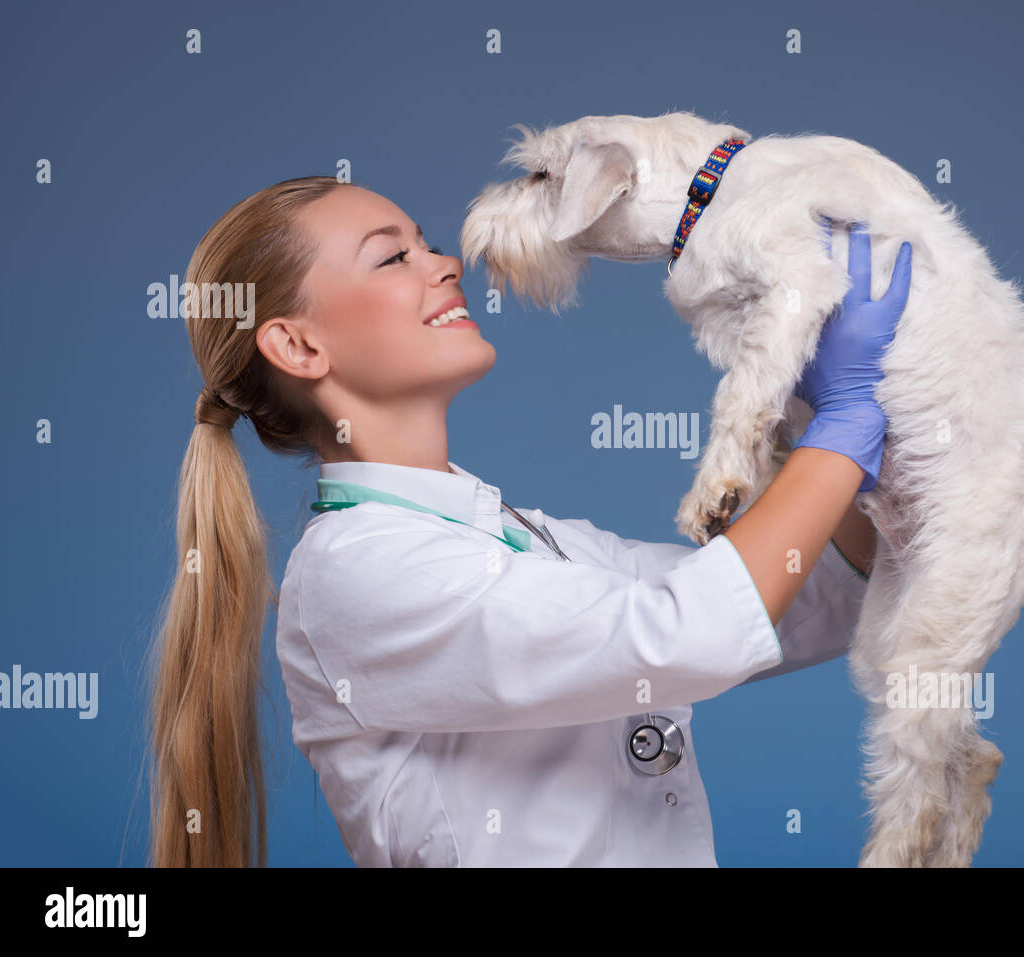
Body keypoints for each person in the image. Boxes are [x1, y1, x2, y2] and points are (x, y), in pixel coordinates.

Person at [147, 175, 913, 867]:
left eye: (428, 244)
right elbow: (688, 633)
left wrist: (846, 403)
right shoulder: (355, 571)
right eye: (392, 258)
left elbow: (802, 596)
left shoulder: (526, 537)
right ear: (297, 344)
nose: (445, 264)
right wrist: (842, 422)